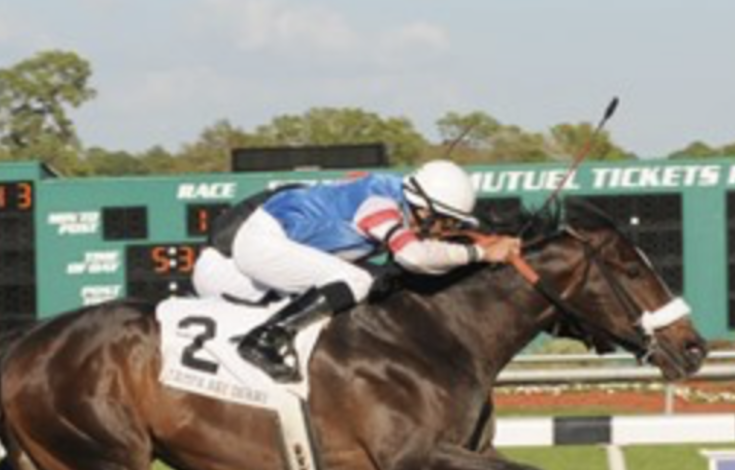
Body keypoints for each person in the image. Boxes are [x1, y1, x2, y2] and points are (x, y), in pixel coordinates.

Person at [190, 159, 522, 383]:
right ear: (423, 208)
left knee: (377, 282)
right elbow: (415, 256)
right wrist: (480, 252)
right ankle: (264, 340)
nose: (443, 230)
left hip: (276, 240)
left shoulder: (396, 197)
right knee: (356, 280)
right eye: (444, 221)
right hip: (256, 246)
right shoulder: (379, 205)